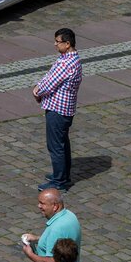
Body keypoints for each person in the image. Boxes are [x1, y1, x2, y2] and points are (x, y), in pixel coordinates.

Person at [33, 28, 82, 192]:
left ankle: (59, 180)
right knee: (62, 144)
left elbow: (49, 83)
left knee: (55, 146)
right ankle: (63, 175)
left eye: (58, 41)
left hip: (57, 110)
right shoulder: (73, 59)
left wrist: (37, 91)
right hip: (66, 109)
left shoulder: (65, 64)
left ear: (67, 44)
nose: (55, 44)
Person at [23, 188, 81, 262]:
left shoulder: (56, 229)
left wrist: (30, 254)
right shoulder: (70, 215)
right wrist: (37, 238)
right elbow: (59, 238)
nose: (39, 206)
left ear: (55, 206)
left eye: (42, 203)